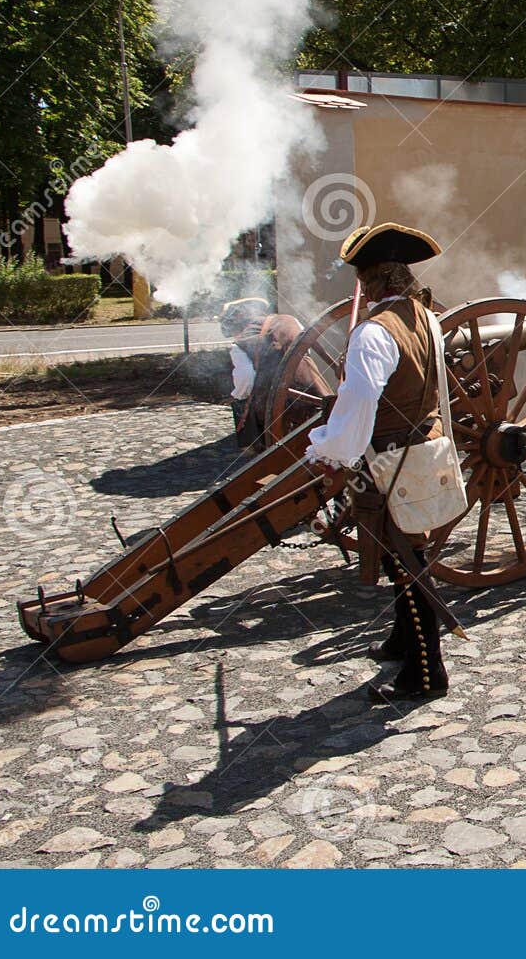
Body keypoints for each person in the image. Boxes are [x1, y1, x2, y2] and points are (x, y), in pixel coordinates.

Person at [304, 222, 451, 704]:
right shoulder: (425, 318)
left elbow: (360, 399)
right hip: (420, 449)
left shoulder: (372, 333)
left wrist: (332, 451)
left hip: (387, 459)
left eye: (365, 281)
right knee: (402, 555)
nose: (362, 292)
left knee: (408, 563)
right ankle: (401, 642)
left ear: (377, 282)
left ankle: (427, 675)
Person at [219, 297, 270, 448]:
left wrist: (238, 397)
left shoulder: (238, 346)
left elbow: (246, 378)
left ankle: (254, 447)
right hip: (305, 388)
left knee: (241, 399)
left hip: (271, 400)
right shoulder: (288, 323)